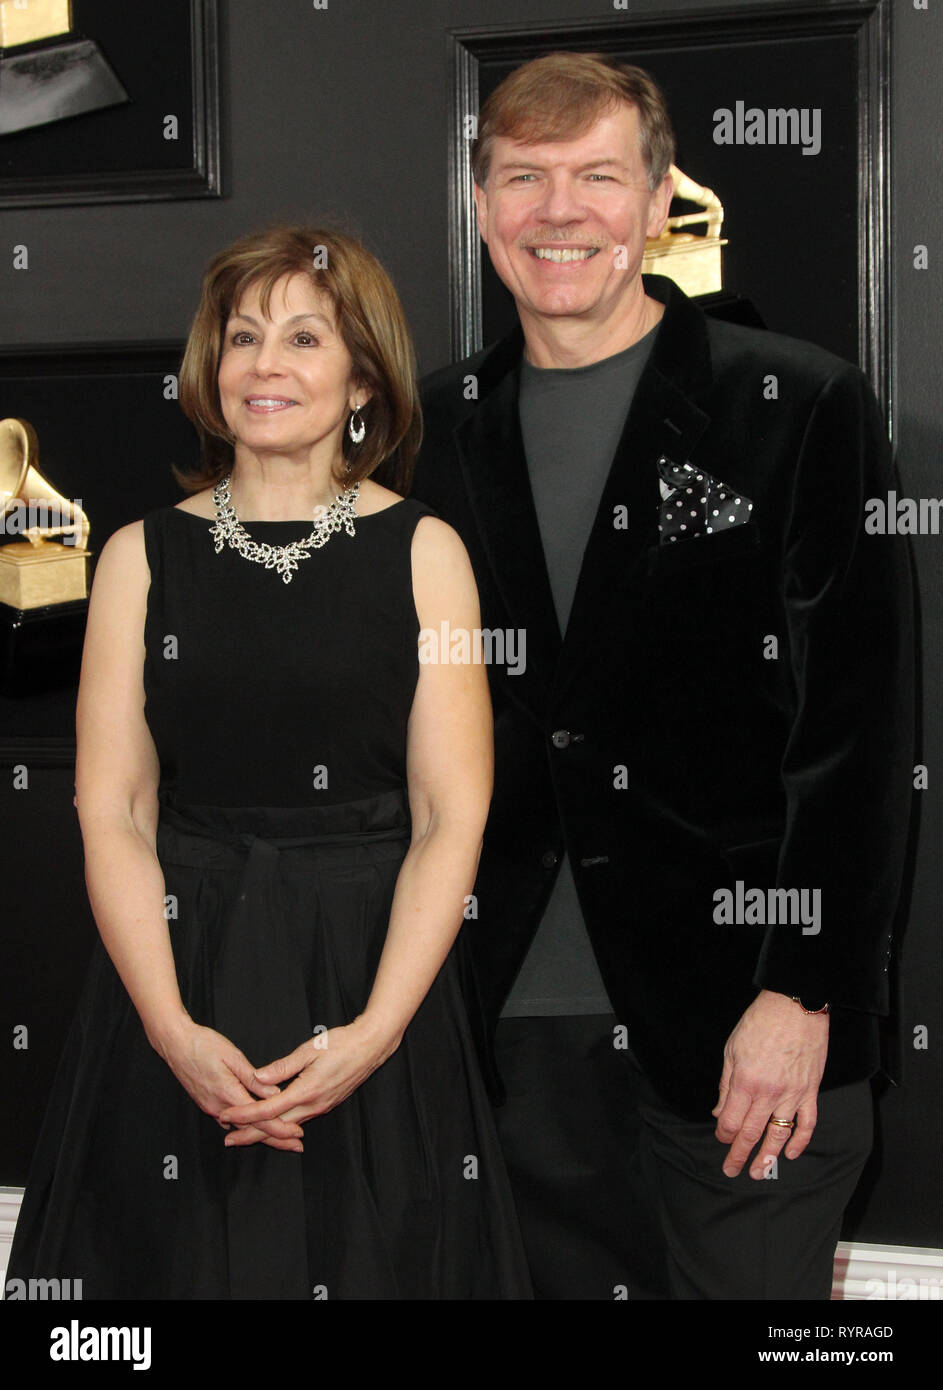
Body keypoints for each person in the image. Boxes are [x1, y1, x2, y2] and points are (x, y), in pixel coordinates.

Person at [410, 52, 915, 1300]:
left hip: (743, 1033)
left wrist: (804, 992)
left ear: (655, 202)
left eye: (597, 176)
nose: (559, 211)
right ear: (482, 207)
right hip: (502, 1036)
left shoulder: (798, 407)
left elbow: (855, 735)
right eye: (524, 178)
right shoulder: (424, 434)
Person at [5, 225, 532, 1300]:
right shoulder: (136, 558)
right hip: (177, 981)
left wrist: (374, 1035)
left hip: (374, 985)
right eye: (243, 337)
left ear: (362, 382)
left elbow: (450, 814)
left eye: (303, 337)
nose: (264, 365)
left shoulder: (429, 554)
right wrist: (171, 1030)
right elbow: (112, 807)